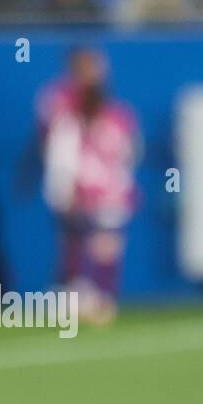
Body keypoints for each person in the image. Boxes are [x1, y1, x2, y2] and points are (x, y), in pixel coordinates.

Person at [36, 47, 141, 326]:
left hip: (108, 196)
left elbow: (128, 156)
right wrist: (64, 191)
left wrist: (121, 188)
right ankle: (75, 297)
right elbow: (59, 156)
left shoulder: (118, 119)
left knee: (104, 247)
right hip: (83, 196)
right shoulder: (64, 112)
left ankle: (101, 300)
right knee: (76, 246)